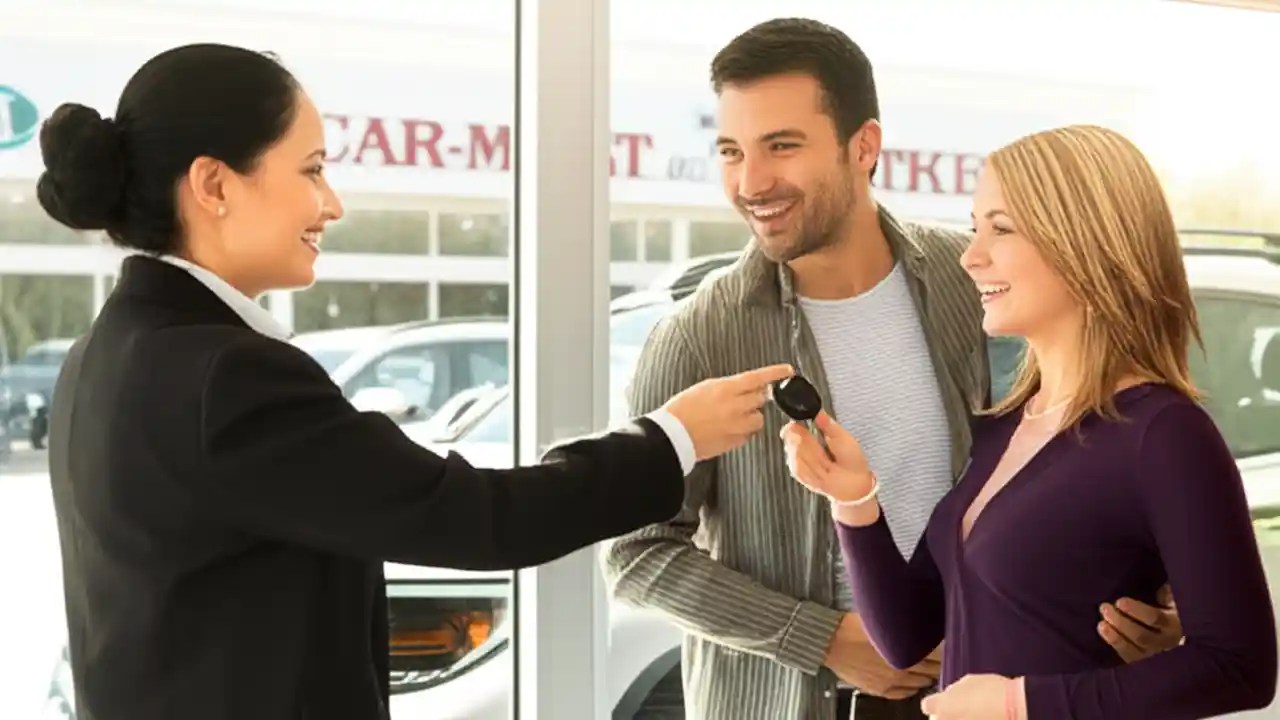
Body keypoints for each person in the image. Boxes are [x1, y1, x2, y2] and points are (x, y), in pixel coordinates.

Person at [37, 43, 793, 720]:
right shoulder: (225, 377)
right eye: (312, 170)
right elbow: (476, 517)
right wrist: (674, 438)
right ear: (213, 184)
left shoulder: (100, 355)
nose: (332, 204)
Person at [601, 18, 1183, 720]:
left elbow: (1088, 447)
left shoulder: (977, 278)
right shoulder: (700, 336)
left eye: (781, 146)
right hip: (805, 702)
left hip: (990, 691)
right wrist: (821, 638)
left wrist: (1152, 599)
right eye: (731, 151)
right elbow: (635, 553)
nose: (751, 182)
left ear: (863, 146)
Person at [783, 124, 1278, 719]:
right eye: (975, 228)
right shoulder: (1006, 428)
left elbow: (1240, 668)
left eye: (1001, 228)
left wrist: (1021, 703)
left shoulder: (1164, 435)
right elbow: (906, 636)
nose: (971, 255)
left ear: (1086, 242)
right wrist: (855, 501)